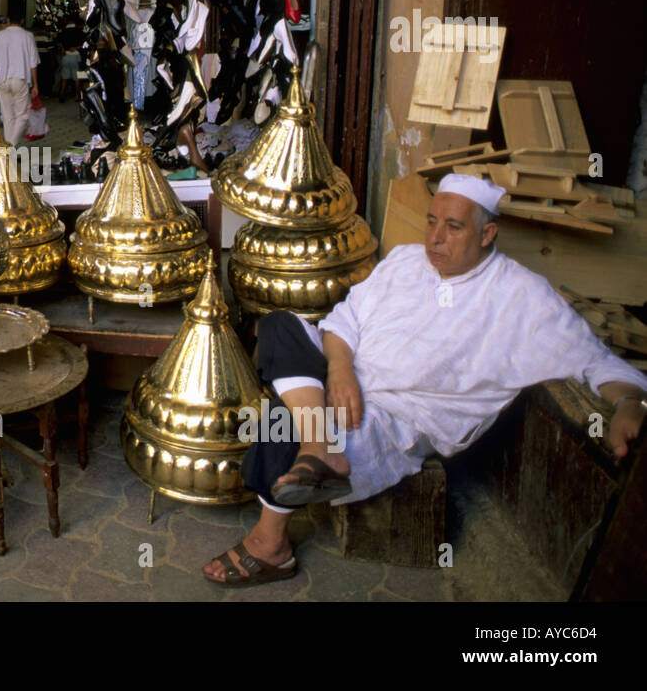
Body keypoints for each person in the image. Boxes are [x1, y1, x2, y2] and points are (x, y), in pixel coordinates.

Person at [204, 174, 647, 587]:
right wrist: (339, 370)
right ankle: (319, 448)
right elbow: (344, 322)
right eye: (432, 221)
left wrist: (630, 403)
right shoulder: (406, 261)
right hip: (346, 377)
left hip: (395, 417)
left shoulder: (523, 297)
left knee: (283, 419)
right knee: (279, 323)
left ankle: (272, 545)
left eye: (453, 228)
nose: (434, 238)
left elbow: (596, 360)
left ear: (487, 235)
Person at [0, 10, 40, 146]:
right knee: (24, 116)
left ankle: (8, 151)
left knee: (8, 117)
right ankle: (10, 146)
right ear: (22, 21)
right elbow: (33, 63)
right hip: (20, 79)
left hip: (2, 80)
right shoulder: (28, 36)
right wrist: (35, 84)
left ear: (8, 20)